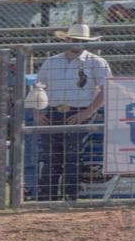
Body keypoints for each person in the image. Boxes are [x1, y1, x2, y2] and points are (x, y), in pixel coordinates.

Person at [33, 24, 112, 201]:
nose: (78, 43)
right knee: (51, 156)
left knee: (73, 156)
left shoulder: (96, 62)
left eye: (82, 41)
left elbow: (107, 89)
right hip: (52, 111)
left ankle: (70, 197)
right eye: (75, 40)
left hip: (78, 112)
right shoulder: (51, 61)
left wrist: (88, 112)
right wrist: (38, 112)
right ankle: (47, 197)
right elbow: (38, 88)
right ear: (67, 40)